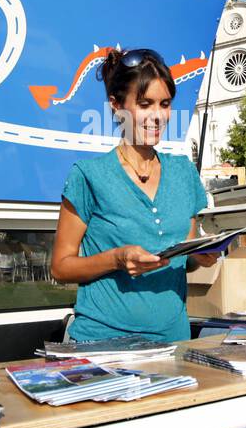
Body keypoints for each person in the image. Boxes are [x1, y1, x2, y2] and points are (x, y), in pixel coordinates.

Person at [50, 48, 218, 342]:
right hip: (102, 343)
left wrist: (202, 256)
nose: (157, 116)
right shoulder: (88, 175)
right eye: (145, 104)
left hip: (173, 342)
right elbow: (61, 267)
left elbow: (184, 258)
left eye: (164, 104)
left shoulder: (183, 172)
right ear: (116, 106)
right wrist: (117, 258)